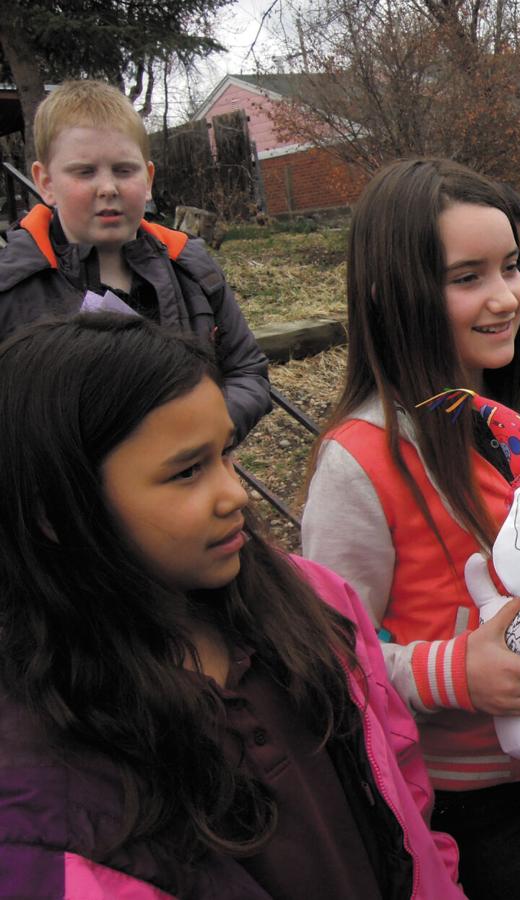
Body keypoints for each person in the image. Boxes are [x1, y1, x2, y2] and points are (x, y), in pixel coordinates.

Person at [0, 313, 465, 899]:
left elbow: (401, 783)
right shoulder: (46, 783)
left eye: (227, 453)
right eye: (187, 472)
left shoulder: (312, 601)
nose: (235, 494)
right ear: (56, 514)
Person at [301, 158, 520, 900]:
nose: (506, 296)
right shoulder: (358, 464)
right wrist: (453, 673)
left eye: (512, 267)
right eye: (467, 276)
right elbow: (325, 659)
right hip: (470, 802)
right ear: (392, 296)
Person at [0, 79, 270, 441]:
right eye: (84, 172)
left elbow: (248, 371)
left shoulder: (191, 268)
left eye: (124, 170)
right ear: (45, 182)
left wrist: (201, 434)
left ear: (148, 180)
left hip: (187, 484)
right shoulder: (12, 290)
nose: (108, 187)